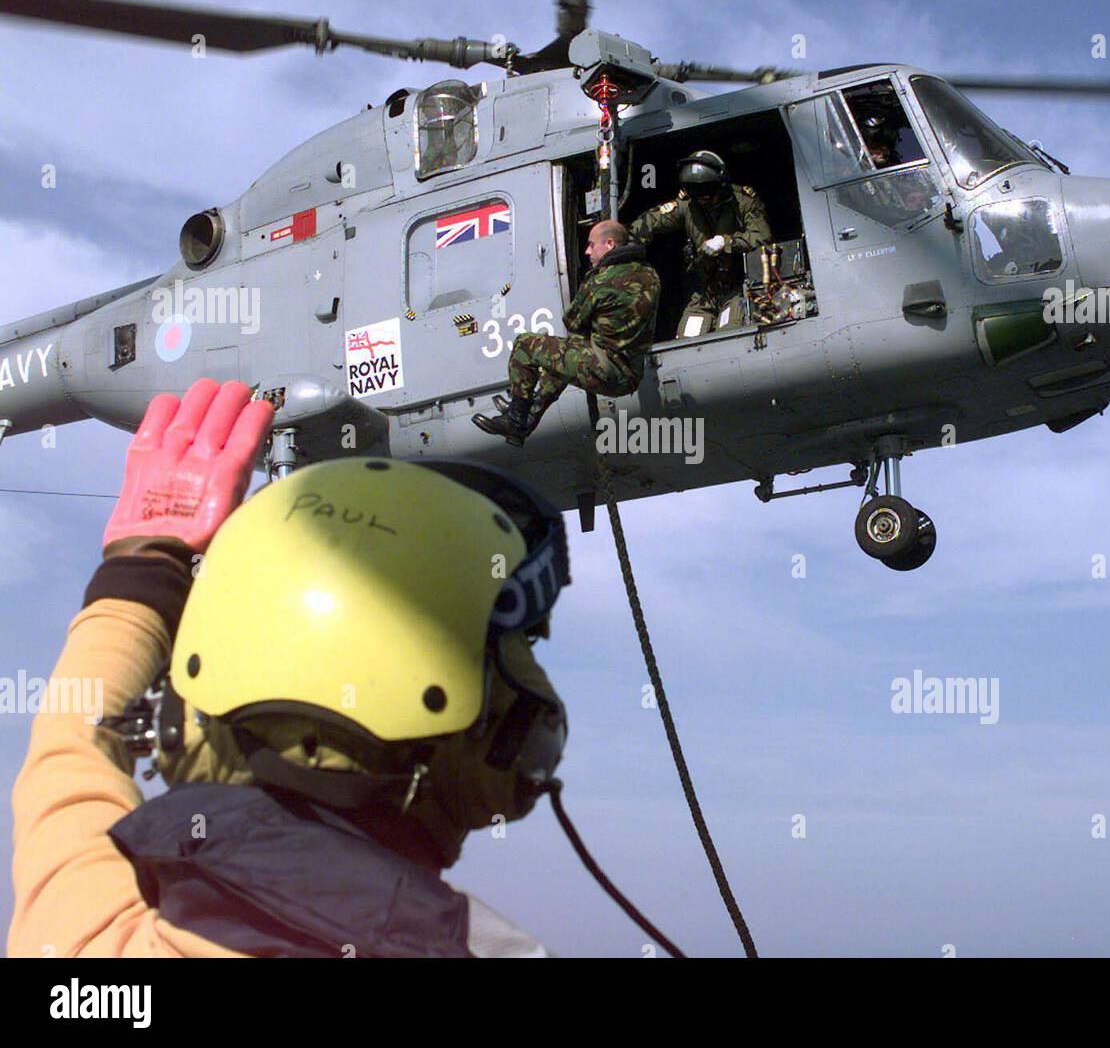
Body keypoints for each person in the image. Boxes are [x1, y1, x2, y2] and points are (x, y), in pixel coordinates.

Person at [8, 377, 570, 957]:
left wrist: (144, 562)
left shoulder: (82, 939)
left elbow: (68, 759)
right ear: (510, 739)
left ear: (181, 719)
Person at [473, 220, 660, 446]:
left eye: (592, 245)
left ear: (609, 245)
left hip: (607, 371)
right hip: (630, 374)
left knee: (526, 345)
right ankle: (525, 415)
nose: (587, 251)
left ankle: (515, 417)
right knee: (562, 359)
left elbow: (571, 320)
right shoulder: (650, 276)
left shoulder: (601, 280)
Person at [628, 150, 772, 337]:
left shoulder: (743, 201)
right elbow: (653, 221)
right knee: (686, 341)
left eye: (707, 193)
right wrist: (624, 239)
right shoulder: (688, 205)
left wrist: (727, 242)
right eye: (698, 194)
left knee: (730, 336)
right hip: (702, 293)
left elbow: (762, 235)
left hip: (736, 288)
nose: (704, 200)